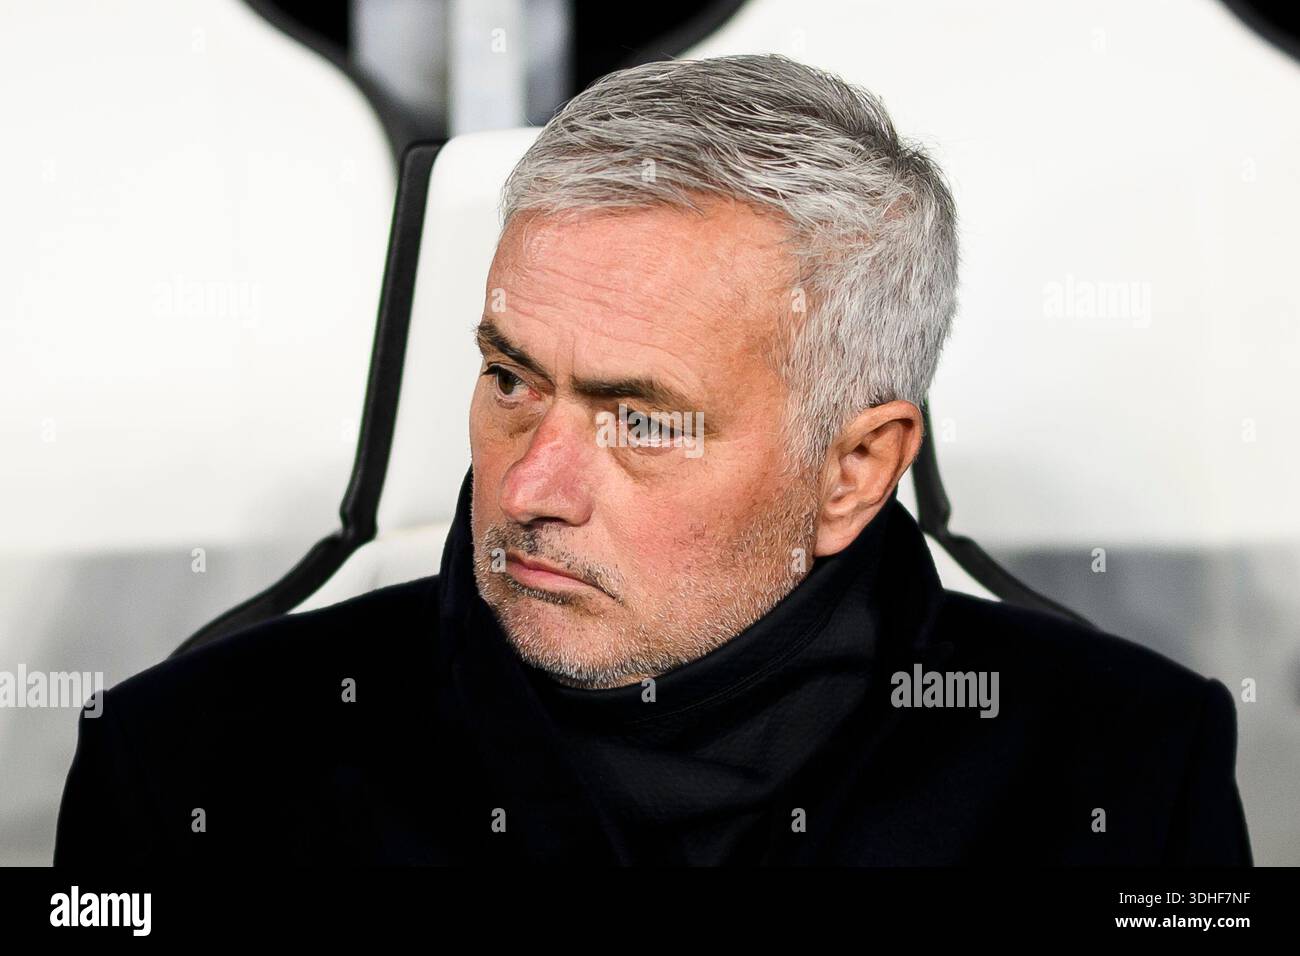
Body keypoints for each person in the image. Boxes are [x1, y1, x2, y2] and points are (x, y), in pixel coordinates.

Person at [54, 53, 1251, 865]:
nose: (527, 490)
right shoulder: (188, 770)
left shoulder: (1130, 772)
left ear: (853, 469)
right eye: (512, 379)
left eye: (642, 418)